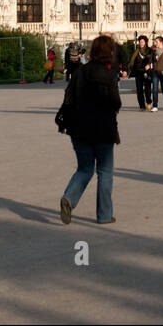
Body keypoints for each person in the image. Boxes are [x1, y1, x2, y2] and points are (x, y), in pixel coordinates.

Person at [59, 34, 122, 225]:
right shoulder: (109, 74)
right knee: (105, 172)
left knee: (85, 168)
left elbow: (69, 96)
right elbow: (115, 103)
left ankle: (69, 198)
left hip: (79, 128)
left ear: (93, 51)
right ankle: (104, 215)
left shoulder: (80, 71)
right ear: (110, 52)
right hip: (103, 128)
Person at [128, 35, 154, 111]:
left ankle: (149, 101)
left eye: (142, 42)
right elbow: (132, 61)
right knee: (139, 90)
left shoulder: (150, 50)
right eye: (140, 42)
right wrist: (130, 68)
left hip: (147, 72)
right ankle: (142, 106)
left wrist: (149, 65)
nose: (141, 43)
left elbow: (153, 60)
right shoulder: (136, 51)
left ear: (145, 42)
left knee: (147, 90)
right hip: (138, 72)